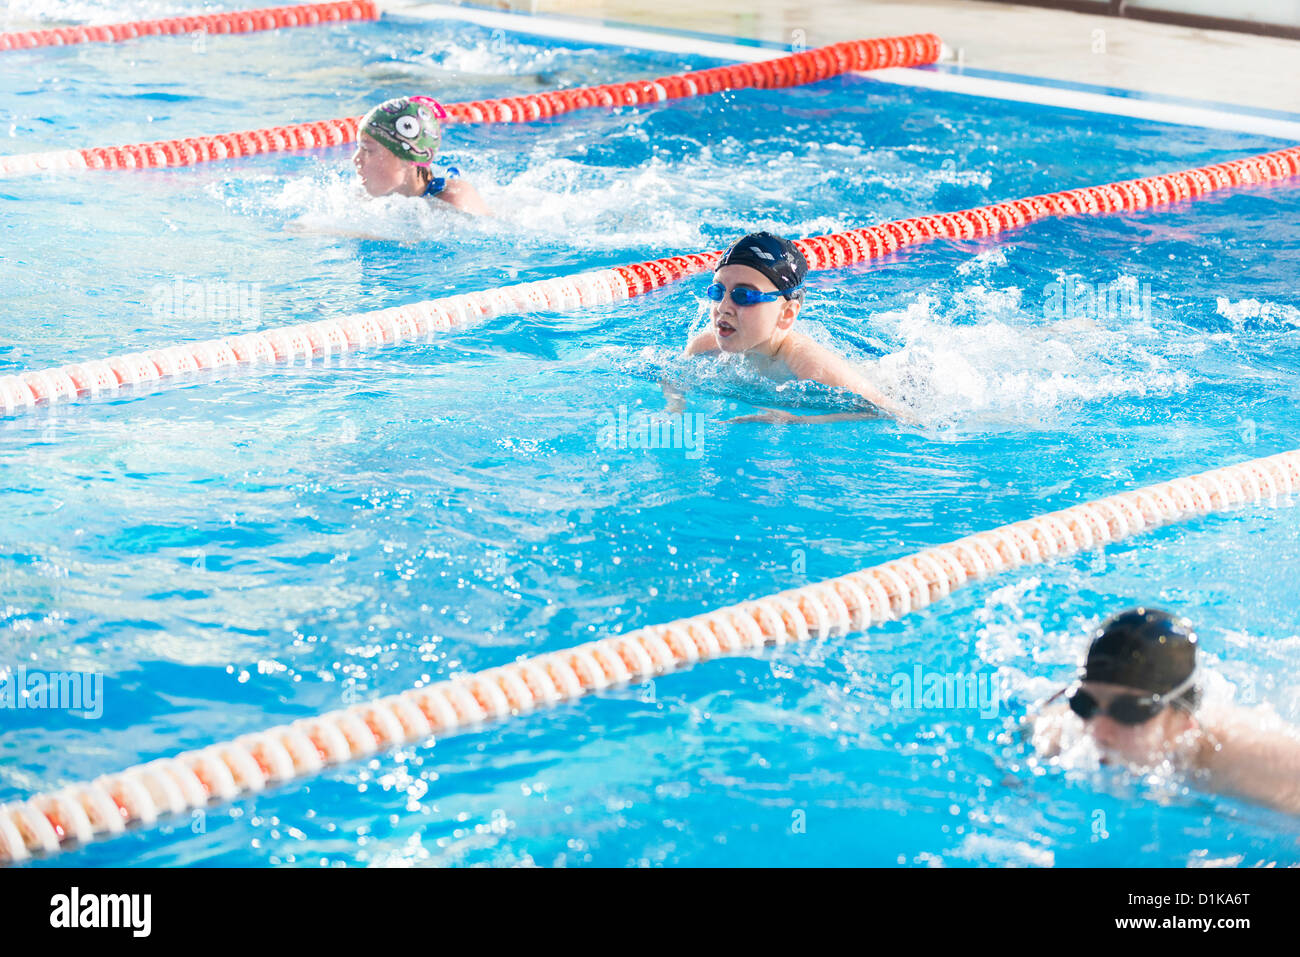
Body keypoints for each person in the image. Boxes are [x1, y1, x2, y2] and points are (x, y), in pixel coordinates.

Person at [1031, 607, 1300, 816]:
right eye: (1085, 703)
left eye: (1129, 711)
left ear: (1184, 721)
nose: (1098, 730)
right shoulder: (1063, 731)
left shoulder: (1250, 765)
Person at [667, 231, 915, 423]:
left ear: (786, 314)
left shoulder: (809, 365)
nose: (723, 307)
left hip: (899, 384)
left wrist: (799, 420)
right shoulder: (704, 346)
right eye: (718, 291)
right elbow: (673, 378)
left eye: (744, 296)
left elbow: (895, 413)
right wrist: (674, 408)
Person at [352, 96, 491, 216]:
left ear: (407, 159)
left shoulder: (452, 201)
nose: (356, 159)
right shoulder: (365, 200)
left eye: (368, 150)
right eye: (359, 148)